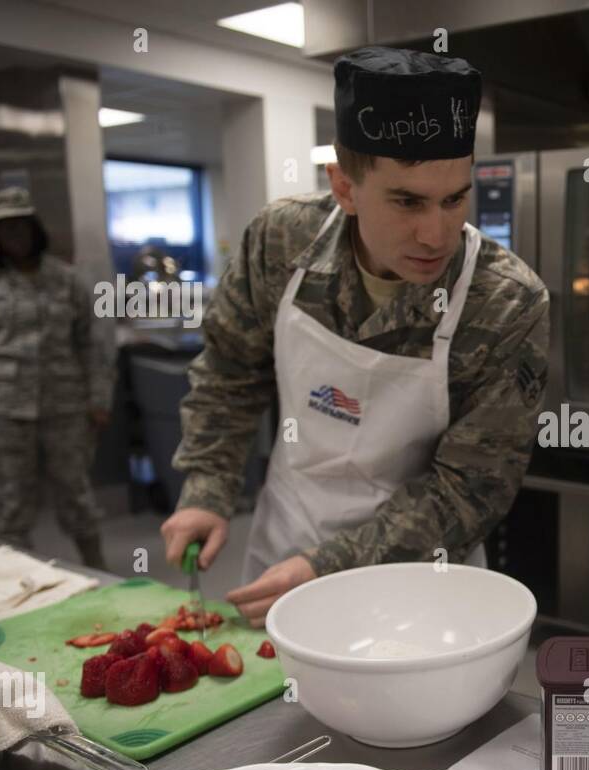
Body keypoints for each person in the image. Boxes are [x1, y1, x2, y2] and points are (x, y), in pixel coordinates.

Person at [162, 47, 550, 626]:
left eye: (454, 199)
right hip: (285, 546)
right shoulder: (281, 241)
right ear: (344, 186)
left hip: (423, 573)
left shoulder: (504, 300)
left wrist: (331, 565)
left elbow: (471, 487)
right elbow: (230, 371)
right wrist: (208, 485)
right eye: (407, 201)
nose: (436, 233)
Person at [0, 187, 114, 568]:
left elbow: (92, 344)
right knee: (11, 502)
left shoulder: (66, 280)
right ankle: (13, 576)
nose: (15, 236)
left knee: (76, 494)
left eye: (21, 226)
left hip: (64, 404)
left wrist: (99, 399)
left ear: (34, 228)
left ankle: (98, 569)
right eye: (4, 229)